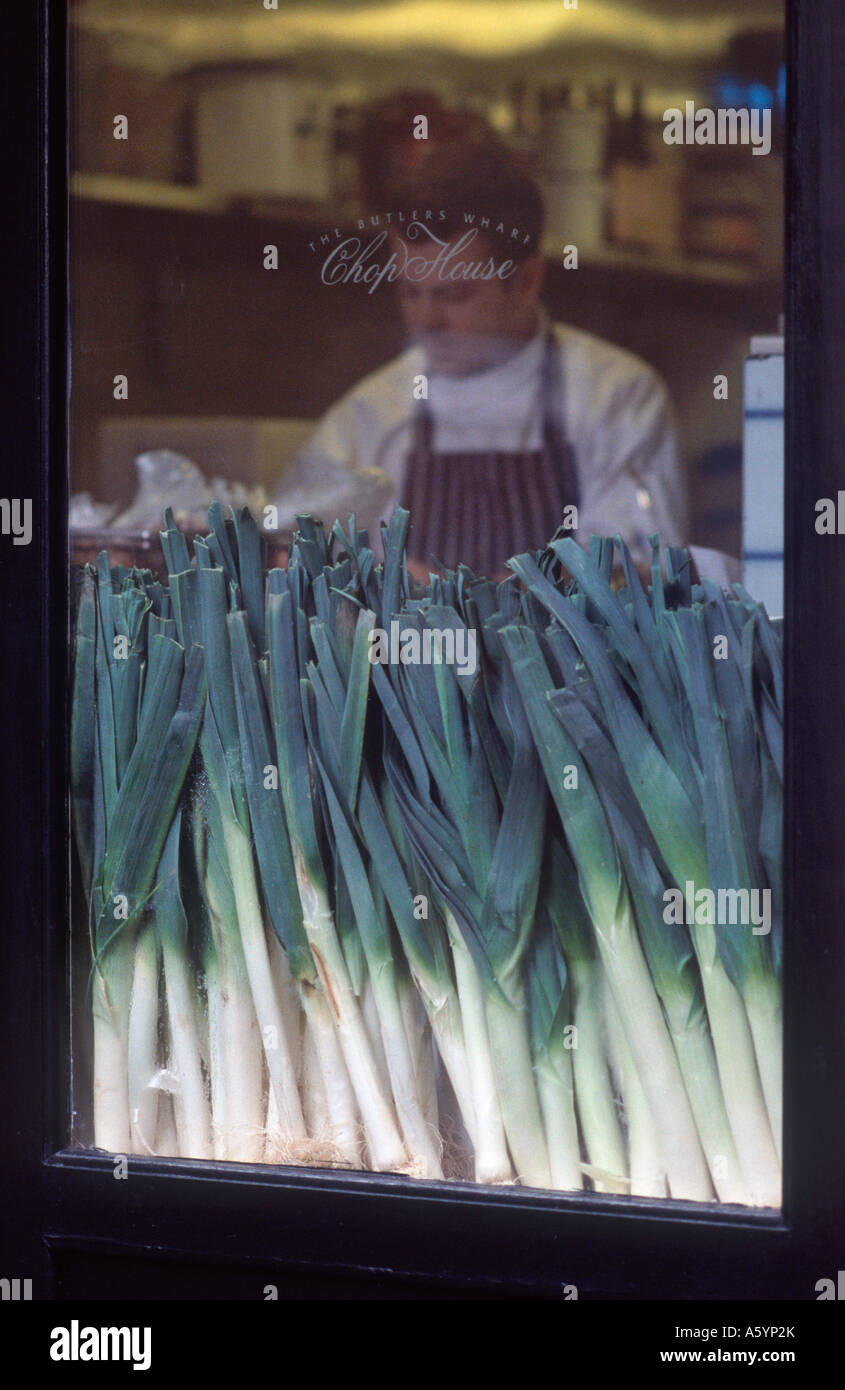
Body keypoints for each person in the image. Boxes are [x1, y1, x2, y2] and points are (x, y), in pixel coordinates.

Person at [280, 139, 688, 580]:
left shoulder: (618, 398)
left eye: (454, 295)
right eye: (409, 292)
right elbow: (287, 550)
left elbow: (643, 574)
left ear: (527, 281)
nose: (426, 320)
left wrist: (472, 596)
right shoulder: (369, 415)